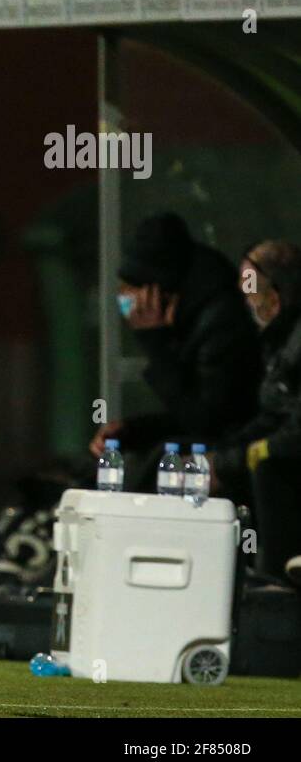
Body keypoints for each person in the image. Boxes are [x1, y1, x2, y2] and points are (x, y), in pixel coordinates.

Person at [89, 213, 260, 482]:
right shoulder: (192, 315)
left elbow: (207, 422)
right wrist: (132, 431)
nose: (128, 303)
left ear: (157, 293)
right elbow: (193, 412)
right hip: (228, 442)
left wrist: (155, 344)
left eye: (135, 292)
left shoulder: (220, 324)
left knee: (151, 468)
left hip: (238, 458)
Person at [210, 240, 301, 585]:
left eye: (250, 290)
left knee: (267, 465)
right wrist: (223, 458)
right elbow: (274, 414)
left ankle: (273, 581)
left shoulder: (293, 344)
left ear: (275, 298)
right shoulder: (280, 343)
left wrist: (239, 458)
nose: (245, 300)